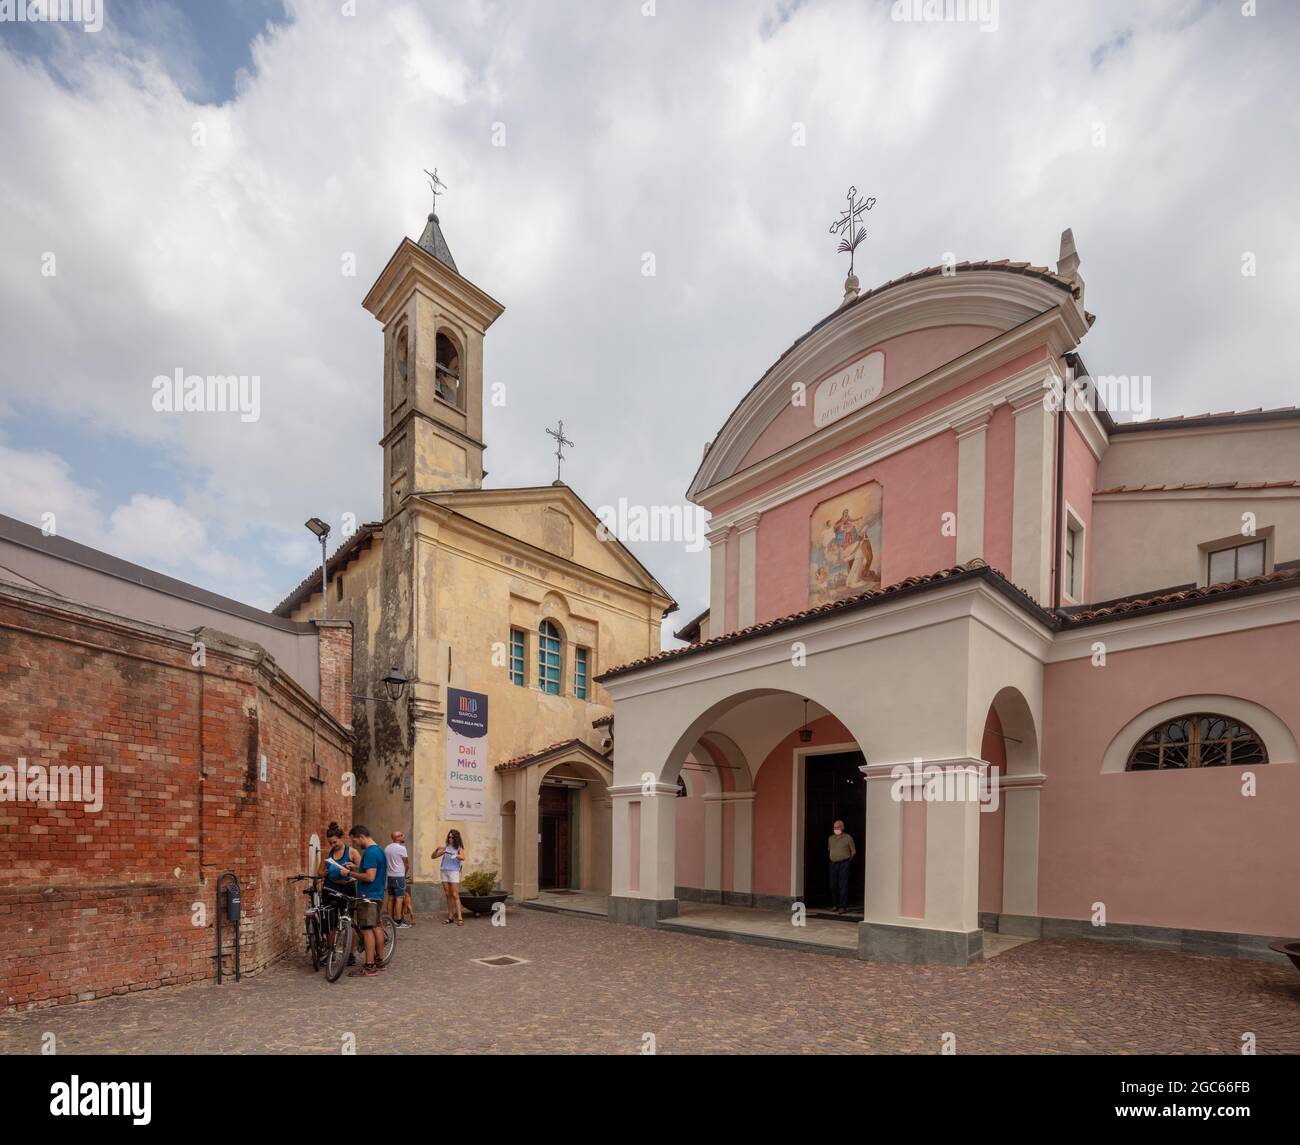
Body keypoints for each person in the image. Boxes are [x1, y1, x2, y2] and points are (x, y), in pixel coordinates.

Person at [345, 824, 387, 976]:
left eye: (355, 841)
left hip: (367, 896)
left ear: (361, 837)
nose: (355, 844)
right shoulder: (379, 850)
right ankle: (379, 961)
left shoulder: (369, 853)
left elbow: (370, 877)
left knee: (367, 929)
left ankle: (369, 966)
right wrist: (357, 868)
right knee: (376, 927)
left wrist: (349, 873)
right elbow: (372, 871)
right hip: (377, 894)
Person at [317, 822, 358, 953]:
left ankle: (350, 953)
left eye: (335, 842)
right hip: (330, 890)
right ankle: (331, 952)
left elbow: (364, 869)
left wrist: (353, 868)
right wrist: (323, 873)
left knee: (349, 922)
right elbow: (319, 871)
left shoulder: (352, 852)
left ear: (341, 838)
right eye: (330, 843)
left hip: (347, 889)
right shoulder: (328, 854)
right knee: (330, 923)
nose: (333, 845)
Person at [433, 829, 466, 926]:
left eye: (452, 837)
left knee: (455, 895)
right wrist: (438, 850)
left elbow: (463, 857)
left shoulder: (459, 847)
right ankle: (450, 917)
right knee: (448, 894)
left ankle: (460, 918)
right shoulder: (446, 847)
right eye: (449, 837)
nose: (450, 838)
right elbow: (433, 857)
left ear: (456, 838)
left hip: (454, 871)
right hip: (444, 870)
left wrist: (455, 855)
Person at [827, 819, 856, 914]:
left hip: (844, 864)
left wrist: (846, 860)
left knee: (843, 885)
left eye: (838, 827)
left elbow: (853, 852)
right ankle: (835, 904)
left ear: (842, 828)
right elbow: (829, 850)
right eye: (834, 827)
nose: (836, 829)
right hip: (833, 864)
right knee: (833, 885)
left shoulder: (848, 838)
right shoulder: (831, 838)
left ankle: (843, 906)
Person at [384, 831, 411, 928]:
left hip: (390, 876)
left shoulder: (387, 848)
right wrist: (404, 874)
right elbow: (407, 864)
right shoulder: (401, 848)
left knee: (391, 898)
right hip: (398, 876)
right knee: (399, 898)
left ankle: (389, 921)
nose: (404, 836)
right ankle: (399, 921)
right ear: (397, 838)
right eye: (402, 835)